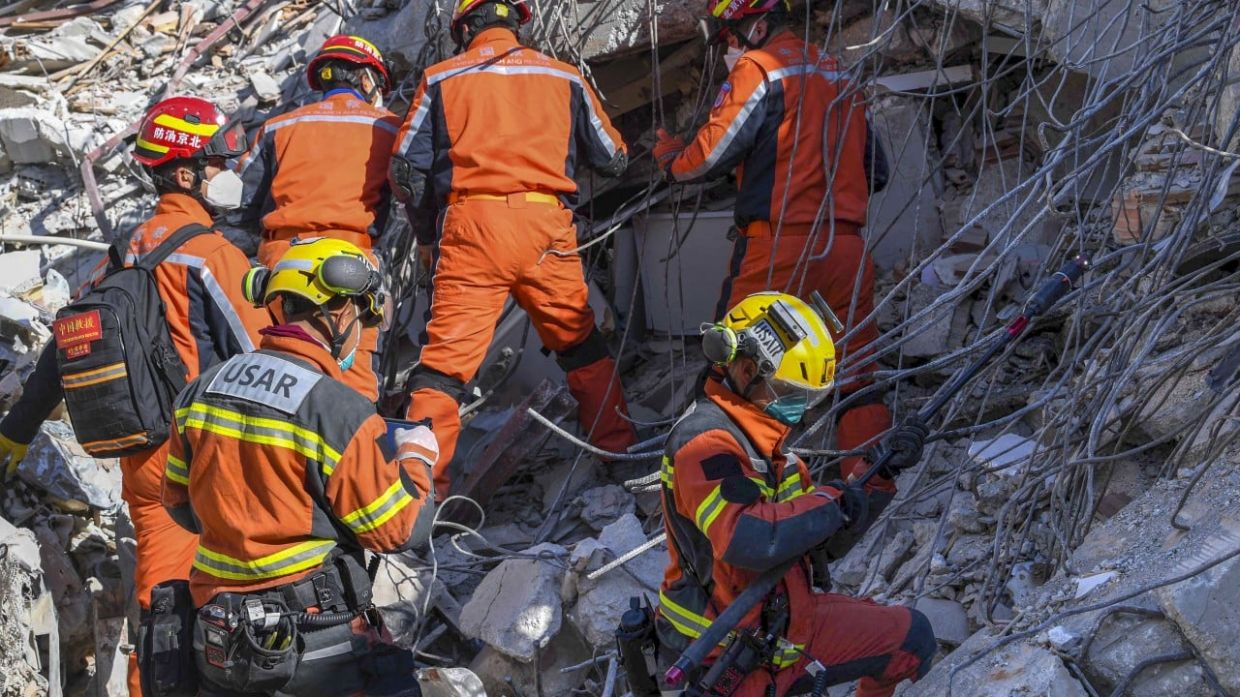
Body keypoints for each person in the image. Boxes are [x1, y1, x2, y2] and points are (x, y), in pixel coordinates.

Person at [0, 96, 269, 697]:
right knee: (249, 597)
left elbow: (64, 345)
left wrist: (15, 431)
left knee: (163, 608)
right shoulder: (212, 255)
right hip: (214, 460)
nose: (232, 172)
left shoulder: (128, 252)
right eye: (219, 161)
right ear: (184, 174)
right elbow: (265, 359)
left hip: (146, 459)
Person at [163, 237, 435, 697]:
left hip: (217, 638)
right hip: (311, 644)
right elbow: (399, 530)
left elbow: (179, 506)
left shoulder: (200, 389)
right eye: (360, 319)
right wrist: (416, 457)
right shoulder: (338, 409)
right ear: (343, 313)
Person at [389, 0, 636, 496]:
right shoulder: (564, 75)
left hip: (473, 226)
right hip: (546, 226)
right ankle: (620, 455)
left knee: (445, 365)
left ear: (464, 29)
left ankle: (421, 493)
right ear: (518, 25)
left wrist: (425, 237)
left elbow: (405, 171)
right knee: (579, 341)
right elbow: (614, 160)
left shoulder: (441, 78)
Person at [654, 0, 895, 506]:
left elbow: (708, 157)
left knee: (736, 363)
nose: (728, 48)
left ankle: (724, 496)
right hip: (847, 248)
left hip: (779, 249)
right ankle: (872, 484)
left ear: (756, 26)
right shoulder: (840, 75)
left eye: (729, 37)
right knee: (857, 371)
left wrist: (671, 159)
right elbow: (877, 171)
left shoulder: (760, 68)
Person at [656, 292, 934, 697]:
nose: (800, 409)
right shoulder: (704, 444)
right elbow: (747, 538)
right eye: (791, 392)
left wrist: (876, 475)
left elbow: (822, 543)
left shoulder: (772, 453)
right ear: (745, 368)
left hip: (786, 631)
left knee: (912, 640)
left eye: (808, 398)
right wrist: (834, 503)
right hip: (723, 659)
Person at [235, 34, 400, 401]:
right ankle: (355, 453)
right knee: (353, 382)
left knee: (281, 371)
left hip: (282, 262)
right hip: (349, 263)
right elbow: (413, 189)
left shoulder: (278, 127)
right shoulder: (389, 127)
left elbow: (241, 206)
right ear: (366, 79)